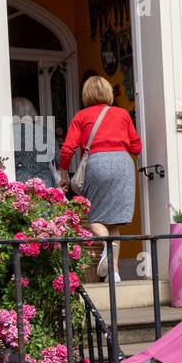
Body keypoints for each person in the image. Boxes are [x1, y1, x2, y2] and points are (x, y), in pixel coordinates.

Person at [59, 76, 141, 282]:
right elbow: (136, 147)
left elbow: (68, 148)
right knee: (113, 223)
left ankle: (107, 246)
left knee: (95, 217)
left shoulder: (81, 116)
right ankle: (114, 273)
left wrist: (63, 172)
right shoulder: (122, 114)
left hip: (98, 163)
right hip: (123, 163)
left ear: (86, 94)